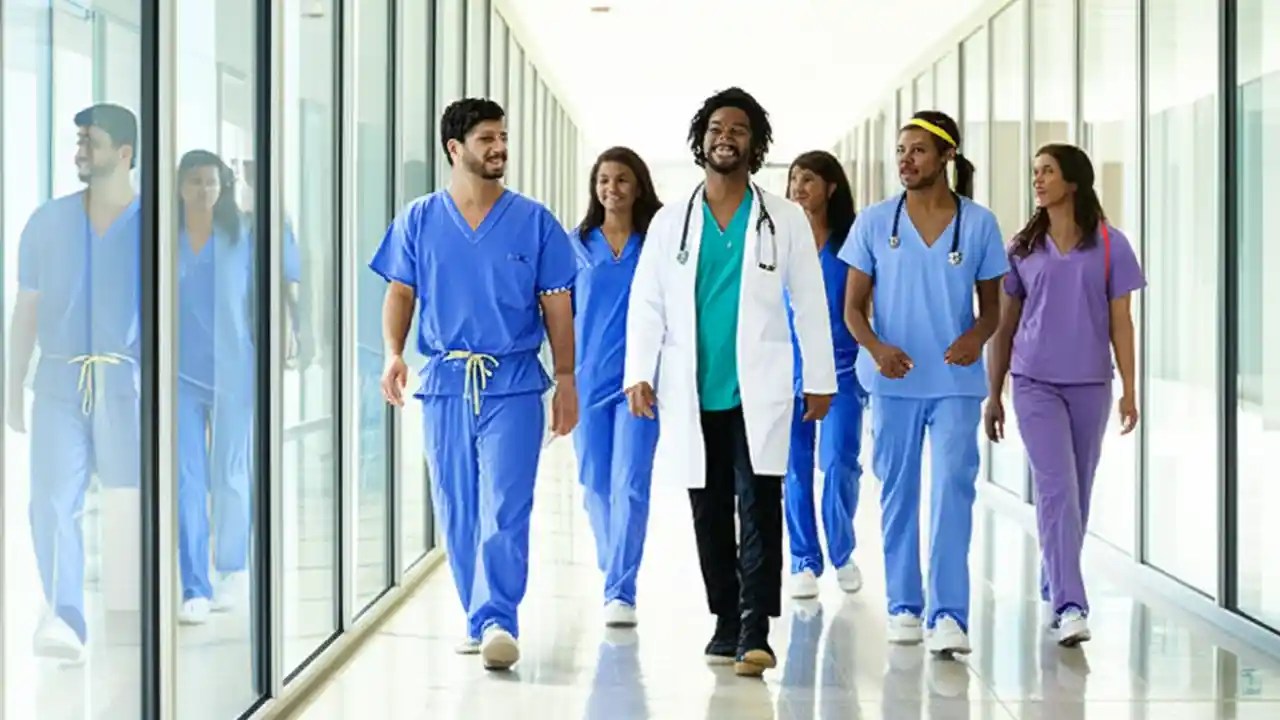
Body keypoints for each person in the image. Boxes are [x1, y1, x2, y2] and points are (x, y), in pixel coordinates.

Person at [624, 87, 837, 678]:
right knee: (708, 509)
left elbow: (810, 301)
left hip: (759, 389)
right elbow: (646, 303)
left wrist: (819, 377)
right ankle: (724, 618)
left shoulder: (784, 218)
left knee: (760, 503)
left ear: (755, 143)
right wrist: (639, 371)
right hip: (694, 388)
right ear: (702, 138)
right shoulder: (673, 221)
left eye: (739, 129)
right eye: (717, 127)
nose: (727, 136)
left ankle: (754, 631)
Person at [371, 97, 578, 671]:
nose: (499, 147)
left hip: (512, 381)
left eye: (503, 137)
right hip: (443, 381)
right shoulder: (418, 219)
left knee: (506, 504)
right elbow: (400, 292)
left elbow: (557, 306)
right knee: (458, 506)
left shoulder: (534, 221)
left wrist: (566, 379)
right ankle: (477, 613)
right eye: (487, 138)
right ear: (455, 149)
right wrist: (393, 354)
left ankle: (497, 618)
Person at [840, 110, 1007, 656]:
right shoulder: (873, 222)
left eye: (917, 150)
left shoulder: (978, 223)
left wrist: (974, 340)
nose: (905, 160)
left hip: (956, 382)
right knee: (898, 495)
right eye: (901, 150)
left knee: (954, 492)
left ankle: (949, 615)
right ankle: (904, 607)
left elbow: (992, 311)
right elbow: (853, 310)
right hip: (893, 382)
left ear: (946, 157)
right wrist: (877, 348)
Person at [984, 144, 1144, 646]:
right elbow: (1004, 328)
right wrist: (995, 394)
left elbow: (1122, 321)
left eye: (1047, 171)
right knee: (1057, 489)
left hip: (1091, 384)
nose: (1038, 179)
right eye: (1034, 172)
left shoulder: (1111, 245)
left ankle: (1056, 579)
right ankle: (1071, 604)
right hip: (1034, 383)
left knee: (1080, 493)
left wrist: (1130, 389)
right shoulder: (1021, 248)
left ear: (1072, 181)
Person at [8, 103, 142, 664]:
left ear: (125, 154)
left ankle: (146, 602)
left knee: (135, 496)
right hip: (61, 381)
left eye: (92, 140)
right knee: (51, 501)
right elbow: (26, 308)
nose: (81, 150)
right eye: (79, 140)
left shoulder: (153, 224)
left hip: (129, 382)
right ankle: (65, 614)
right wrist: (12, 384)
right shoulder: (48, 220)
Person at [172, 150, 302, 624]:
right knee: (188, 480)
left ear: (223, 187)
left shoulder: (243, 232)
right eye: (195, 182)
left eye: (212, 183)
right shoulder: (167, 239)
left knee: (228, 475)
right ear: (181, 187)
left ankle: (231, 567)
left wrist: (290, 332)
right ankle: (194, 585)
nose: (204, 191)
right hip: (179, 376)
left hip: (235, 371)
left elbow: (287, 270)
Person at [570, 147, 663, 628]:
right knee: (594, 484)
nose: (612, 189)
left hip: (640, 383)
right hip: (587, 381)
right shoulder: (576, 245)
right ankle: (613, 566)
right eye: (603, 180)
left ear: (639, 185)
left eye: (622, 179)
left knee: (630, 483)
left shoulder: (658, 244)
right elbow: (557, 315)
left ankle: (620, 589)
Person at [782, 150, 867, 600]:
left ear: (831, 187)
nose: (798, 187)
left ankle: (842, 550)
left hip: (842, 371)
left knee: (838, 462)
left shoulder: (851, 244)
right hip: (788, 373)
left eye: (808, 179)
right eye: (794, 178)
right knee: (794, 470)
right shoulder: (776, 243)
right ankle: (803, 560)